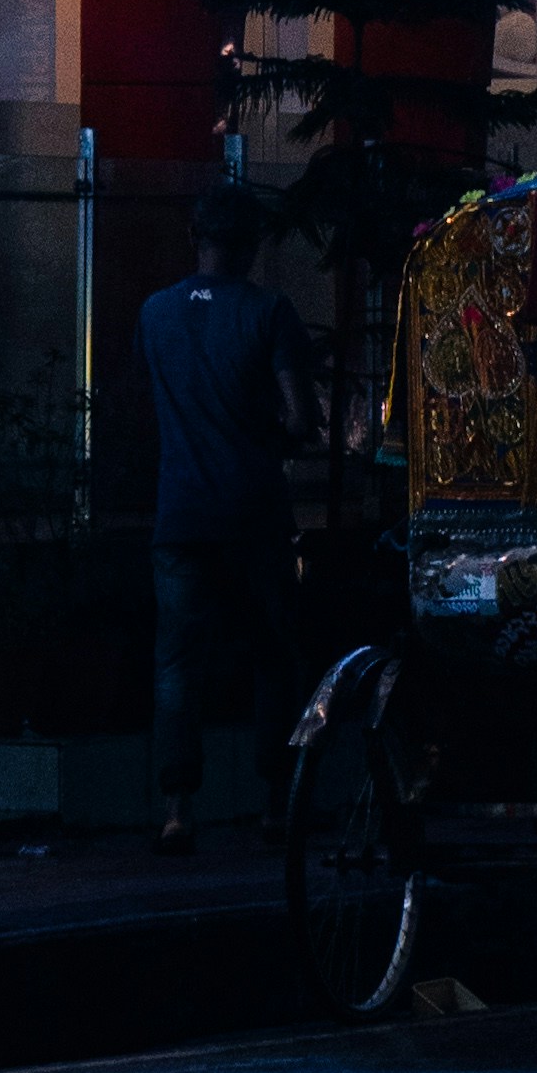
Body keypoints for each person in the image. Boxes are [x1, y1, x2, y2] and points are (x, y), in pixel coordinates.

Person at [138, 188, 313, 856]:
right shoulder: (269, 311)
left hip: (180, 514)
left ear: (194, 232)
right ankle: (277, 803)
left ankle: (178, 810)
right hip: (255, 514)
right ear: (253, 244)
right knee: (274, 656)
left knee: (178, 666)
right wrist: (278, 434)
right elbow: (299, 417)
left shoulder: (155, 312)